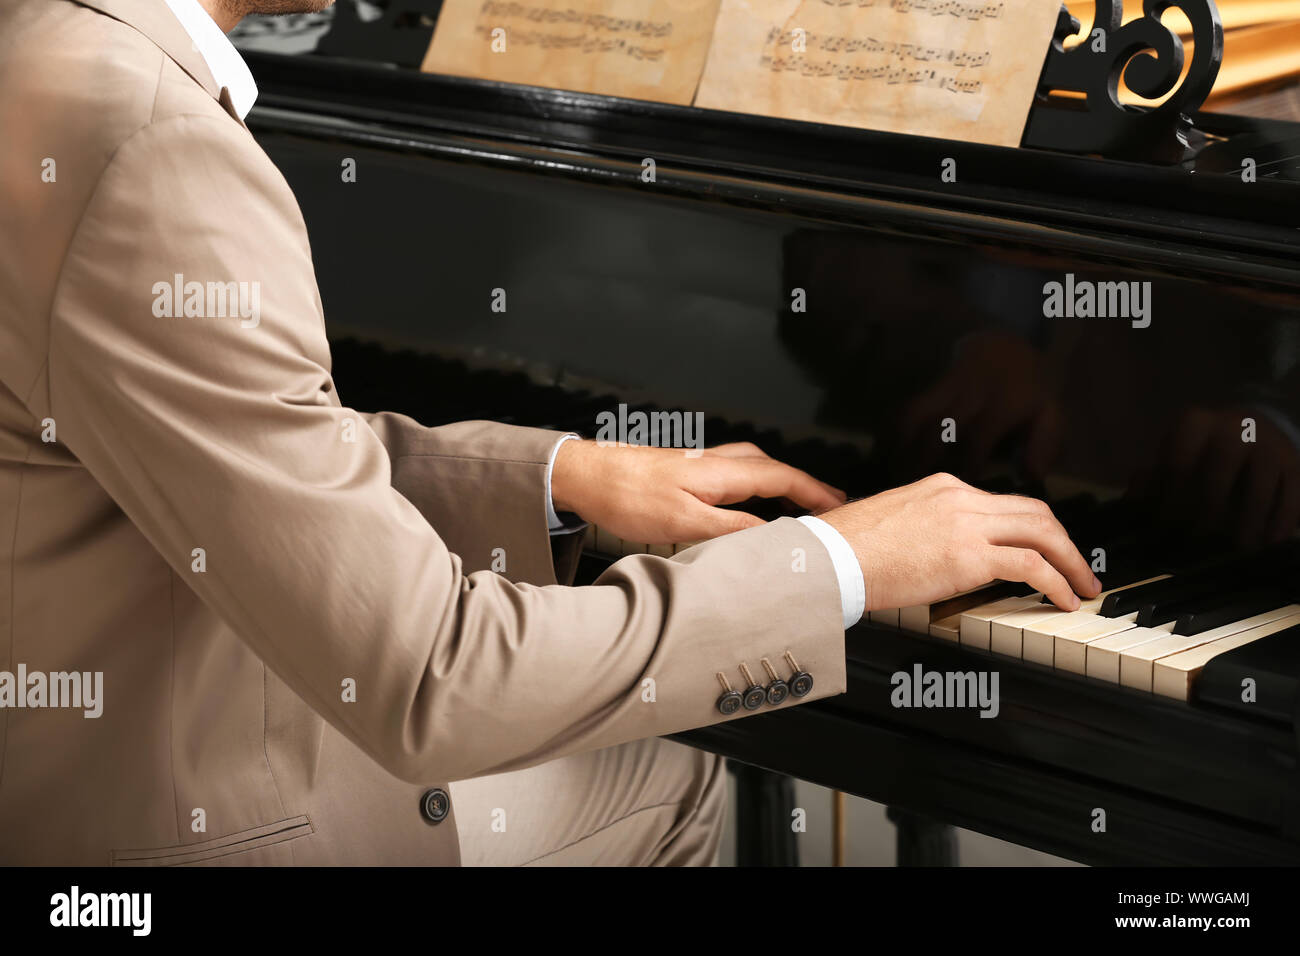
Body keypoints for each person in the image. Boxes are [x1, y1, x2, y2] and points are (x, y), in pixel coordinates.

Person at [0, 0, 1100, 865]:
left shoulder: (45, 53)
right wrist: (838, 564)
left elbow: (249, 450)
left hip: (69, 745)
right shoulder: (150, 143)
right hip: (146, 830)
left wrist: (558, 474)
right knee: (663, 779)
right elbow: (431, 679)